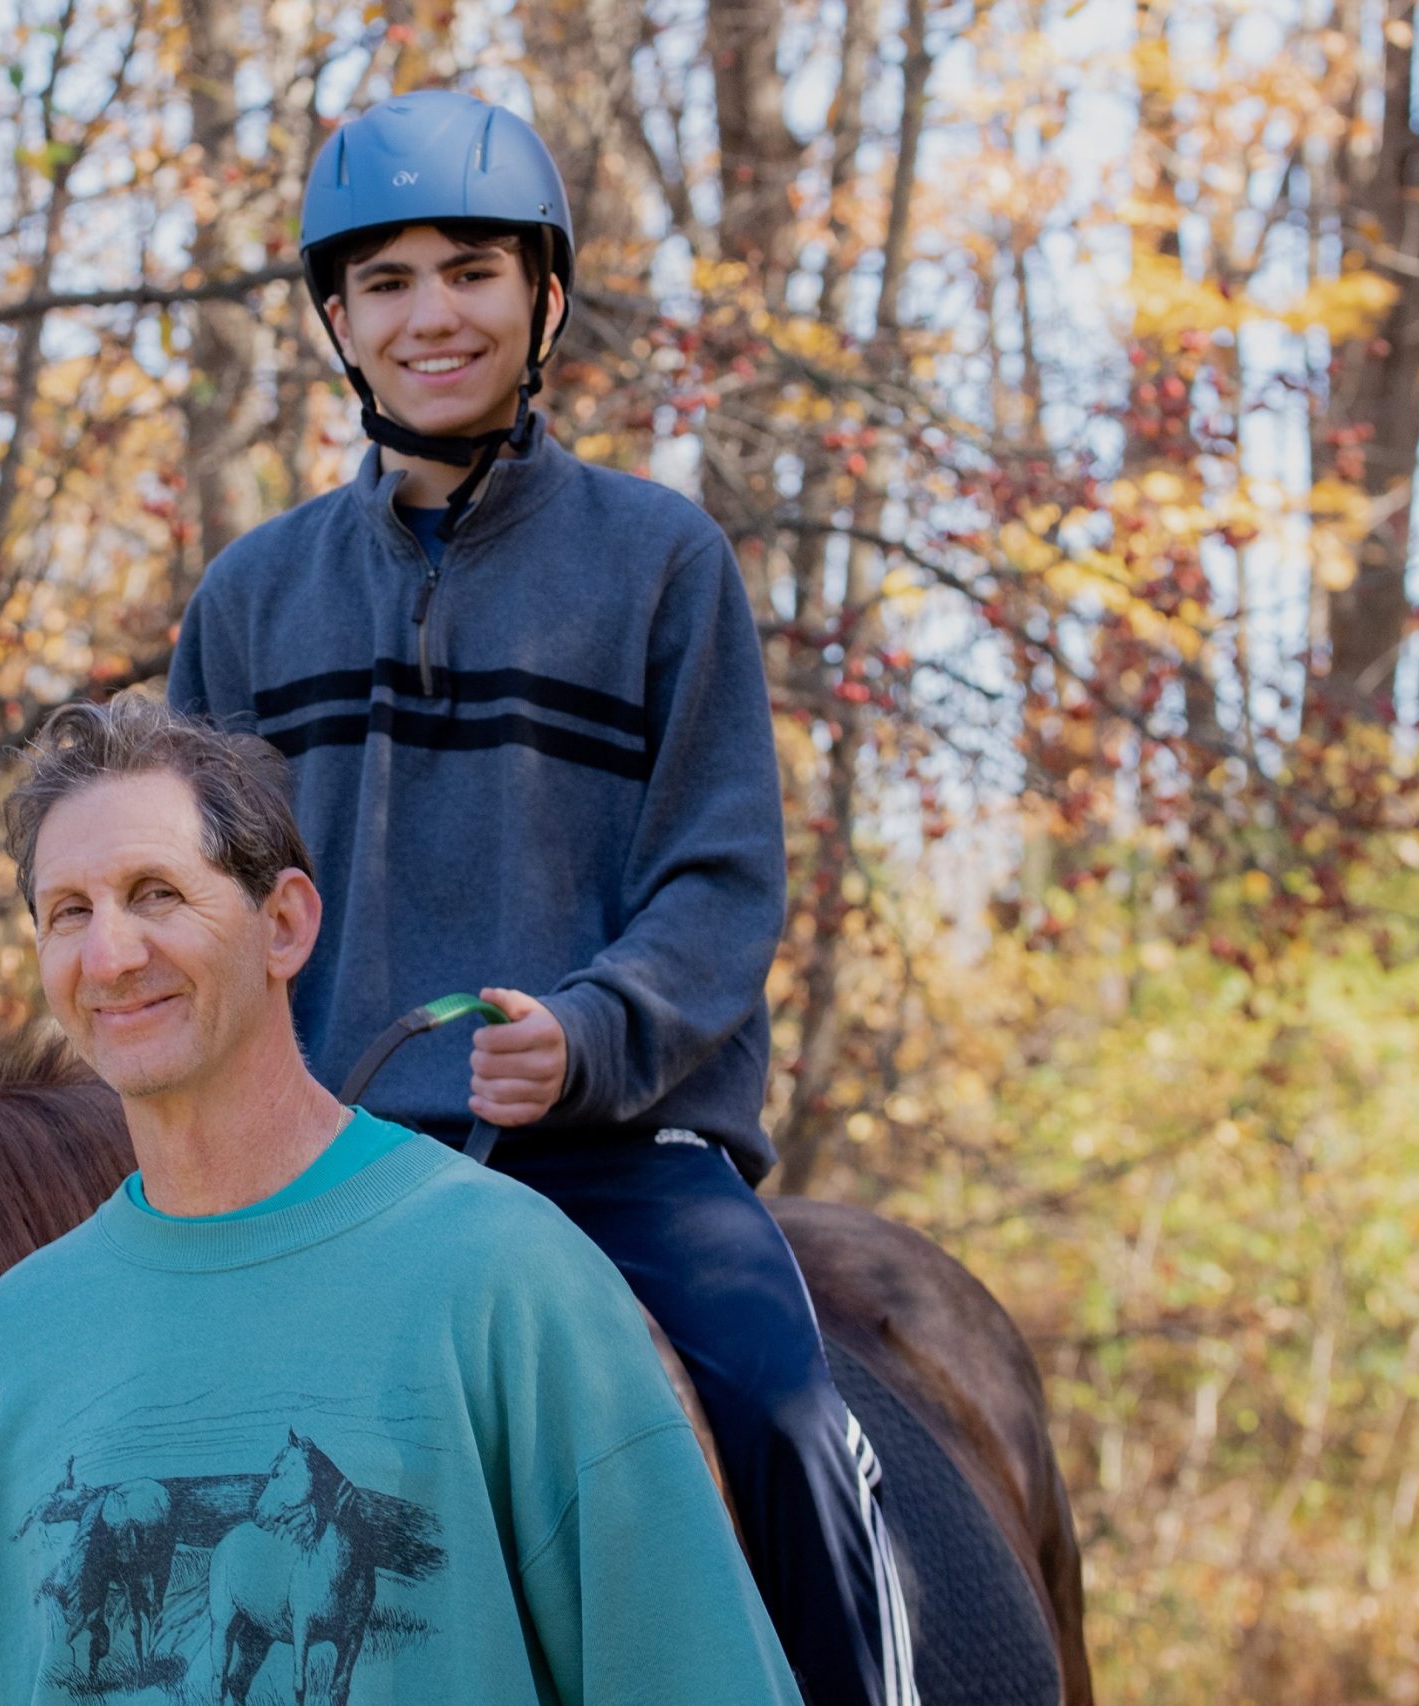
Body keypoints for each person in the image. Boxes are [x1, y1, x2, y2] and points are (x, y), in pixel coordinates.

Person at [169, 88, 917, 1706]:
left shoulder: (661, 563)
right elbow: (191, 909)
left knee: (782, 1414)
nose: (431, 313)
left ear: (545, 299)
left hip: (617, 1165)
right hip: (328, 1170)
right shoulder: (250, 600)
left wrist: (590, 1035)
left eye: (472, 270)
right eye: (385, 281)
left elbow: (724, 876)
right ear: (338, 324)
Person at [0, 698, 802, 1703]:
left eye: (155, 892)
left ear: (284, 923)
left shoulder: (506, 1273)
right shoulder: (18, 1335)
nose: (110, 955)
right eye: (69, 912)